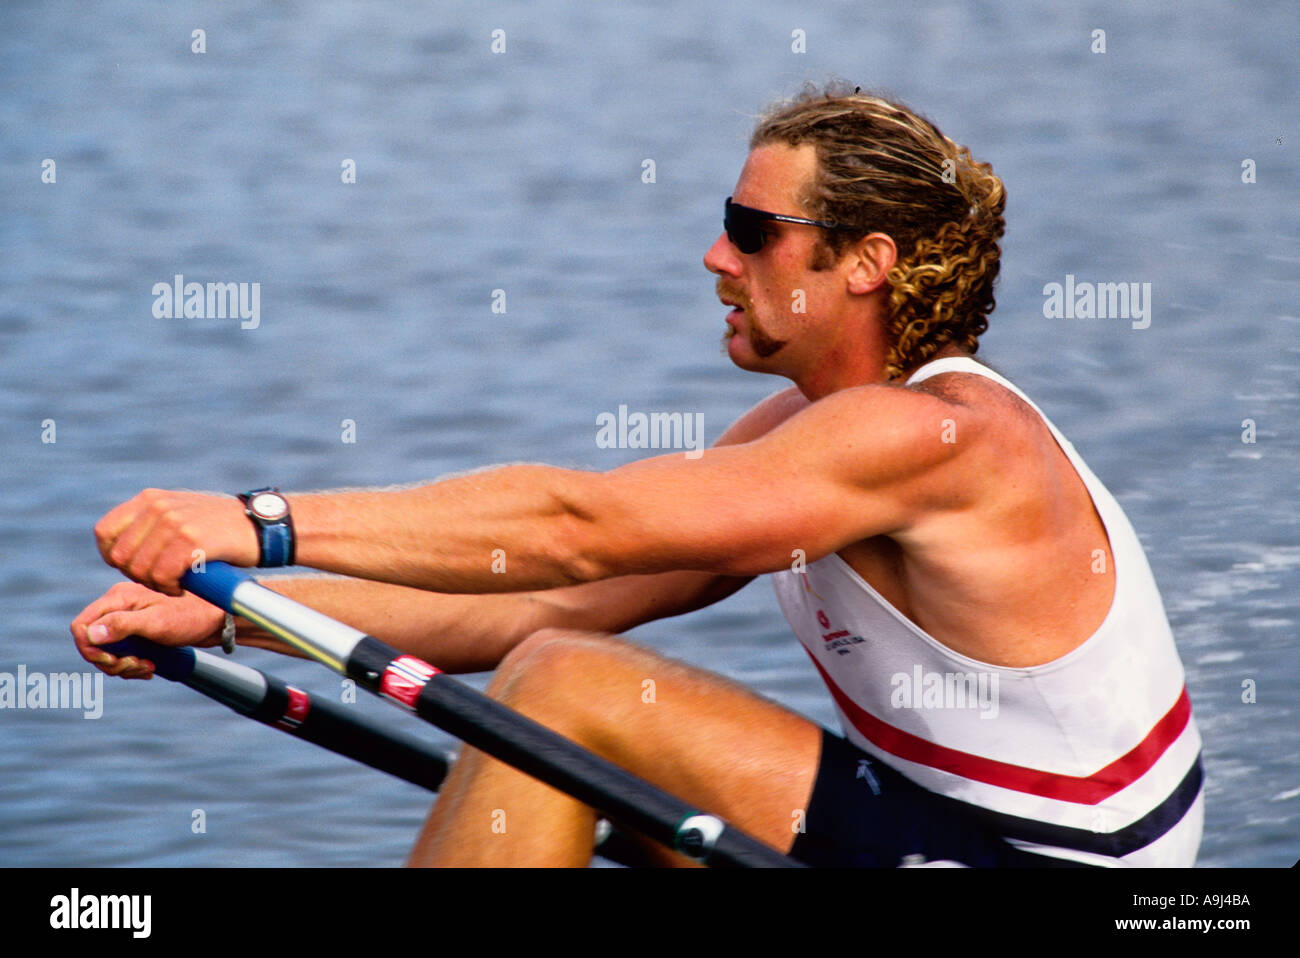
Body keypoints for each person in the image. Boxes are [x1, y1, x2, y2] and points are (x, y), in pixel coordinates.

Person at [71, 84, 1203, 867]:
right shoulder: (806, 441)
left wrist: (258, 522)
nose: (716, 255)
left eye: (749, 227)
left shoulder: (941, 437)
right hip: (944, 831)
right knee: (560, 668)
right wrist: (234, 621)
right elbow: (541, 591)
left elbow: (579, 528)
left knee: (569, 690)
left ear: (864, 265)